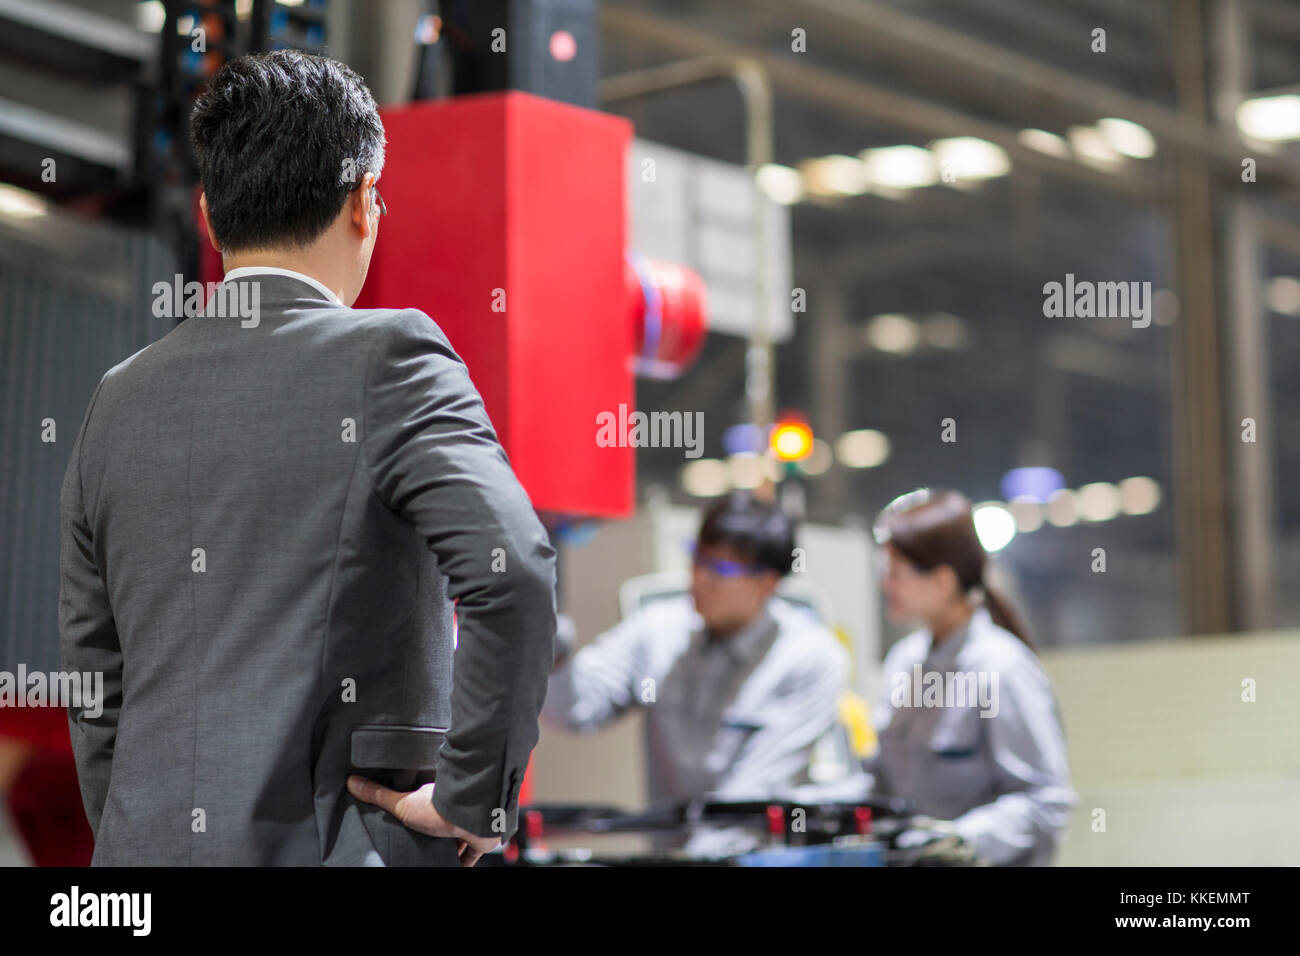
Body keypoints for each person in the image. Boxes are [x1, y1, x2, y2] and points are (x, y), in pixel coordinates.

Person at [58, 50, 556, 867]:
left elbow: (93, 678)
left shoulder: (117, 397)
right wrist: (474, 798)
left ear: (210, 217)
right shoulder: (392, 355)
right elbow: (512, 572)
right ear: (365, 202)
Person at [543, 492, 849, 845]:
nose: (698, 577)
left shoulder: (809, 658)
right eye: (696, 557)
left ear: (767, 583)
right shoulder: (657, 631)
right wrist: (548, 641)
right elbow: (573, 709)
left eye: (720, 569)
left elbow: (748, 803)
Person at [866, 488, 1075, 865]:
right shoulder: (904, 663)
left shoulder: (1001, 668)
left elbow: (1046, 801)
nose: (885, 584)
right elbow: (879, 783)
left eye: (894, 572)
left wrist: (962, 842)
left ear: (943, 581)